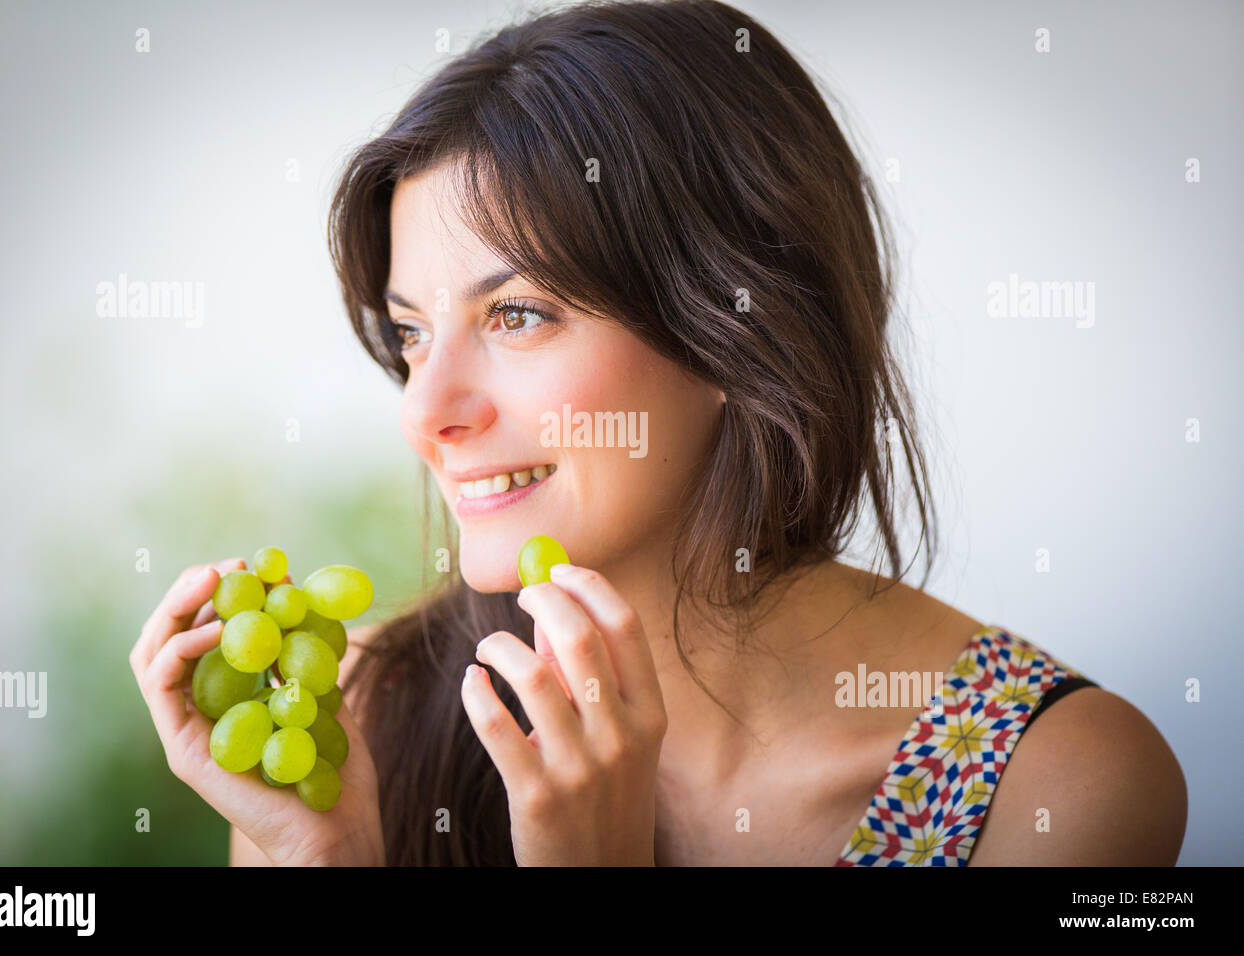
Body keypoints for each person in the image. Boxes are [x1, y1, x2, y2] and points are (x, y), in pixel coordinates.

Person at [131, 0, 1186, 866]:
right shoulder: (360, 710)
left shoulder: (1051, 783)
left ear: (736, 328)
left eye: (516, 315)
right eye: (411, 332)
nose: (424, 409)